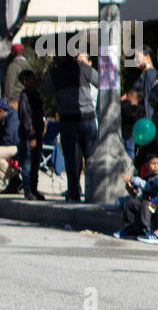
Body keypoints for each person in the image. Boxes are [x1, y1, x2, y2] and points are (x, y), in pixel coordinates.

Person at [43, 51, 98, 202]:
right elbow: (100, 82)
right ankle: (92, 191)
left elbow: (46, 91)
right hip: (87, 117)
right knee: (91, 156)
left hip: (67, 119)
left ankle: (74, 192)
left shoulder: (55, 72)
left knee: (72, 160)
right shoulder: (83, 68)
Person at [16, 69, 46, 199]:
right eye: (31, 78)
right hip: (29, 137)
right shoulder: (24, 96)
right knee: (27, 164)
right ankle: (27, 190)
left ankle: (34, 189)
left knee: (35, 164)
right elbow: (26, 118)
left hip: (38, 135)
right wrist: (31, 136)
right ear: (25, 81)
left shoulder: (36, 95)